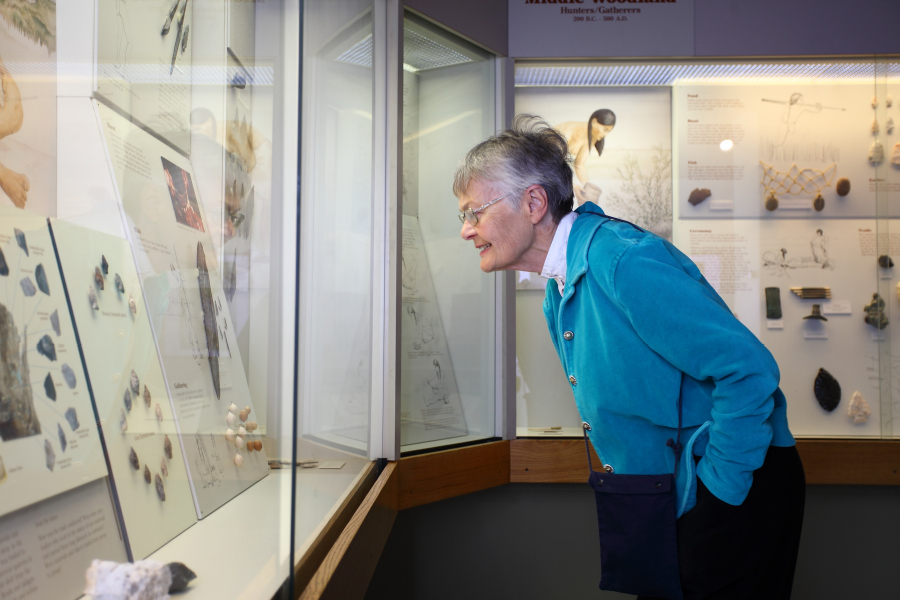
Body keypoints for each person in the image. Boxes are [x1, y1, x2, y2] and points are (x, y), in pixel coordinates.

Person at [453, 115, 805, 600]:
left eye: (475, 212)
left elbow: (749, 371)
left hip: (733, 485)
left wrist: (717, 495)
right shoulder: (562, 288)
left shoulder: (621, 261)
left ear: (533, 202)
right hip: (672, 498)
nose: (467, 231)